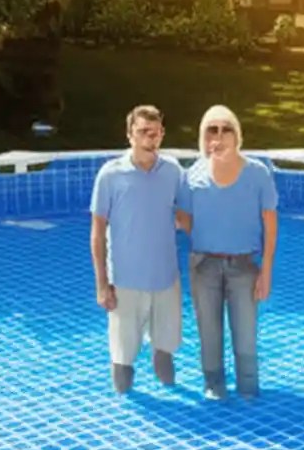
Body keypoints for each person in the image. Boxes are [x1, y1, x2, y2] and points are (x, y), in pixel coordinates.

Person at [90, 105, 190, 394]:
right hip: (125, 282)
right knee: (122, 361)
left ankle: (176, 402)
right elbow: (97, 232)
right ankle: (124, 413)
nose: (151, 138)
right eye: (143, 132)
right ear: (129, 135)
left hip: (165, 280)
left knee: (165, 353)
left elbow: (187, 217)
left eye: (156, 133)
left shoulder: (173, 172)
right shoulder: (110, 175)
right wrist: (101, 284)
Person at [180, 105, 278, 399]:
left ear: (237, 136)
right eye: (212, 129)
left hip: (244, 267)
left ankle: (248, 388)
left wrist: (266, 270)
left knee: (245, 335)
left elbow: (270, 225)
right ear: (203, 137)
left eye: (226, 129)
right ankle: (214, 384)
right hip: (204, 266)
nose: (219, 136)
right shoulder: (191, 176)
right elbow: (183, 219)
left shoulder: (257, 174)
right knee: (208, 333)